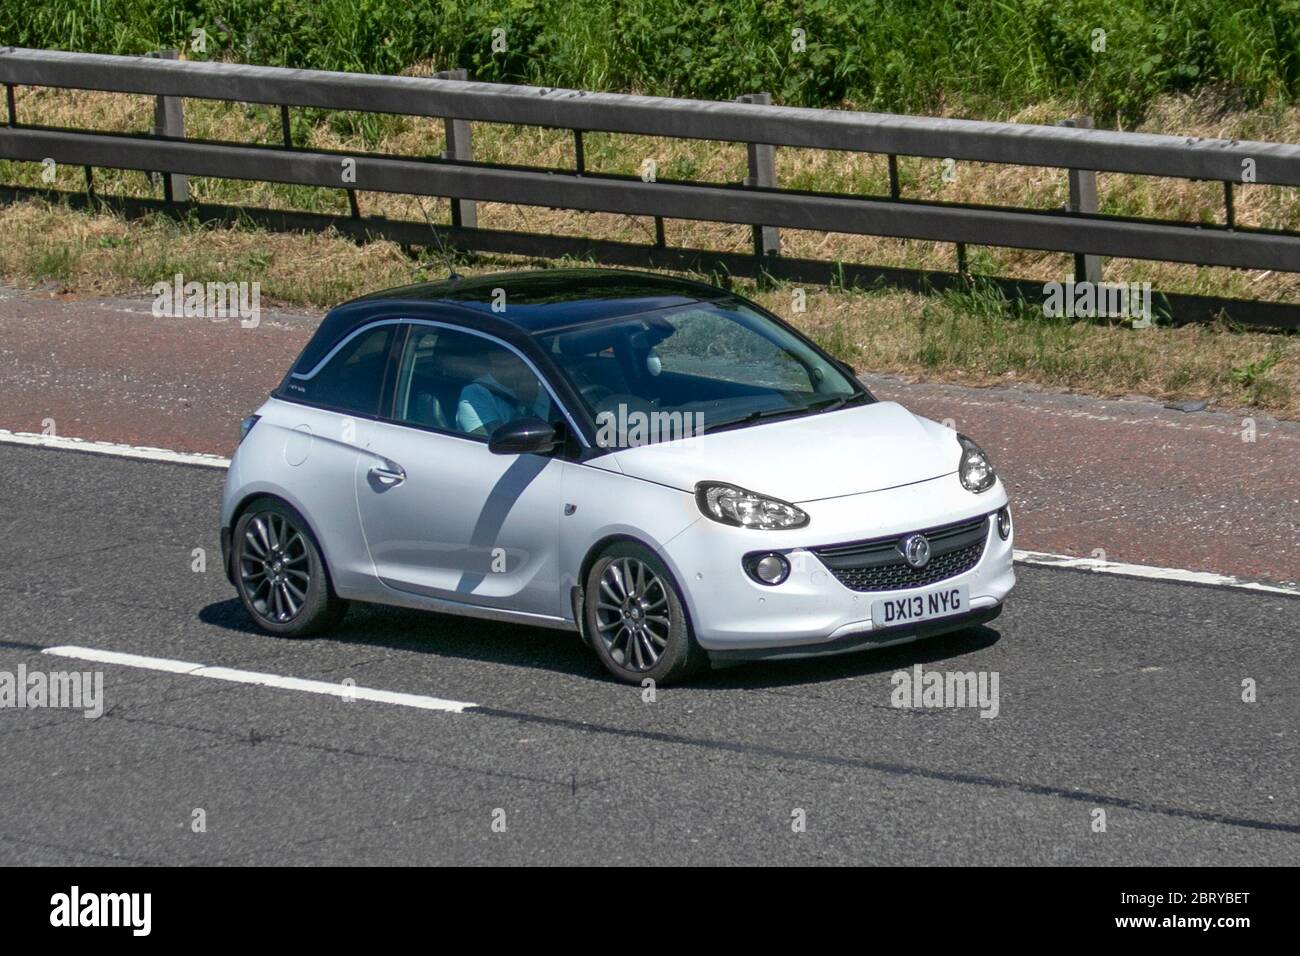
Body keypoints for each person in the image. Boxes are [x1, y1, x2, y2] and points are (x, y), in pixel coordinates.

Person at [456, 346, 551, 436]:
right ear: (493, 356)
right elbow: (491, 443)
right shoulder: (476, 393)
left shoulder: (548, 384)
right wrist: (526, 406)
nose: (517, 359)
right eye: (509, 353)